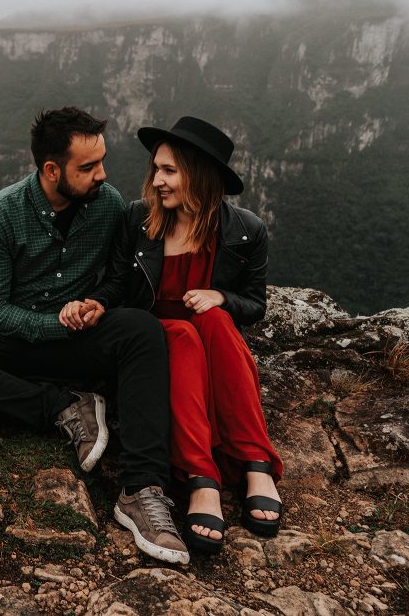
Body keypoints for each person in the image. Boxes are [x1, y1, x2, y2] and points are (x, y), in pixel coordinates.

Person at [0, 106, 190, 565]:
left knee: (142, 330)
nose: (102, 175)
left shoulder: (110, 207)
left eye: (102, 161)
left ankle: (142, 489)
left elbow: (117, 279)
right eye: (88, 167)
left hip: (79, 338)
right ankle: (63, 407)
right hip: (15, 338)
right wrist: (51, 323)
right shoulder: (0, 216)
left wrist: (97, 302)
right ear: (51, 169)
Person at [64, 116, 284, 555]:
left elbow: (254, 305)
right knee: (182, 332)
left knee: (218, 322)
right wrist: (98, 304)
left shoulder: (245, 231)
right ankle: (202, 477)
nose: (157, 181)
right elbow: (116, 283)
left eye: (169, 171)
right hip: (155, 338)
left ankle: (257, 462)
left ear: (199, 176)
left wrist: (221, 295)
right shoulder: (138, 220)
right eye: (156, 169)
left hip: (211, 340)